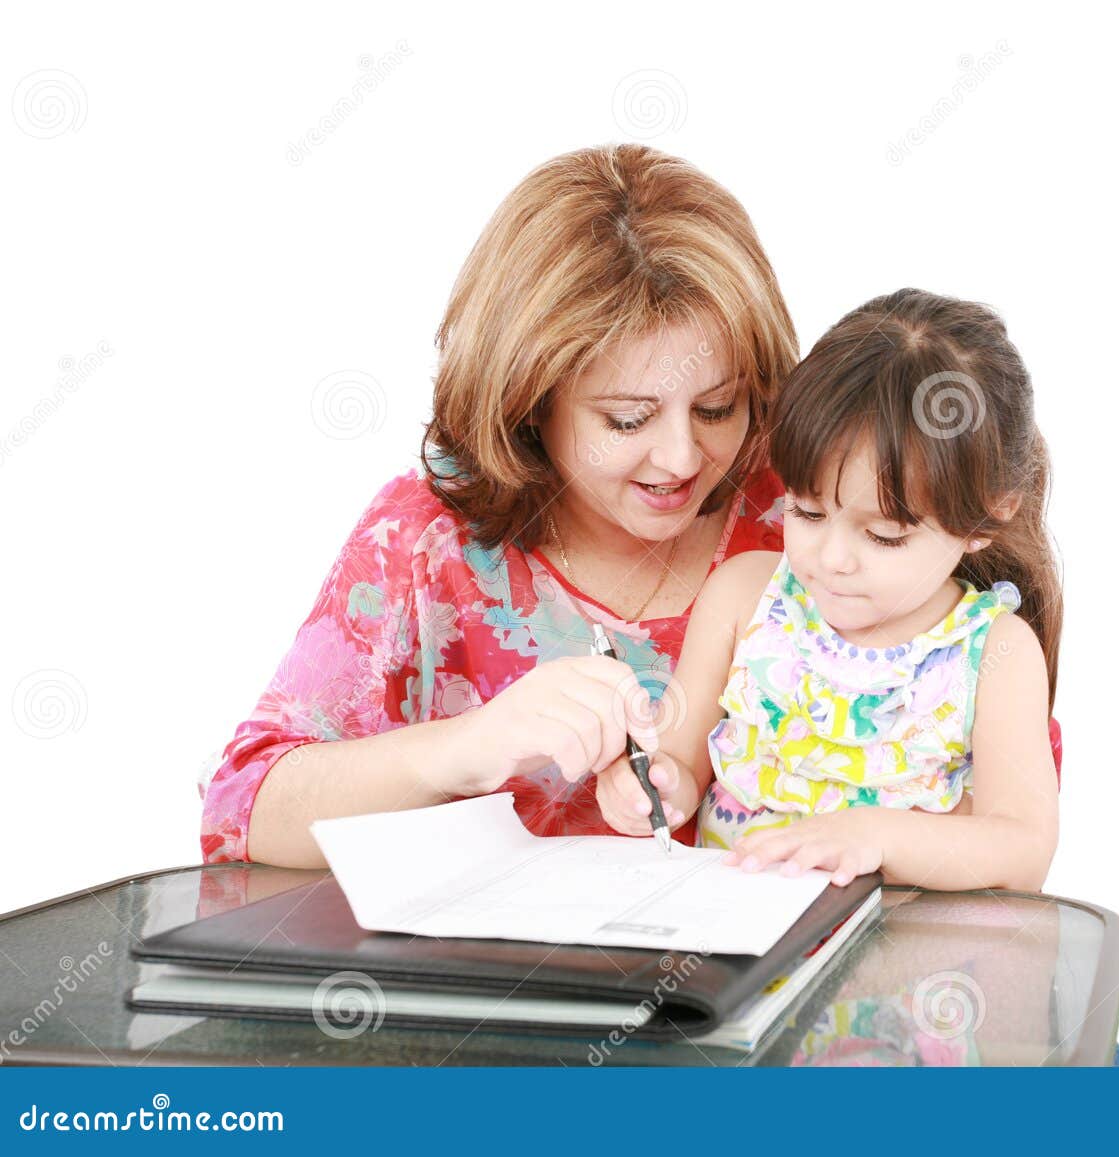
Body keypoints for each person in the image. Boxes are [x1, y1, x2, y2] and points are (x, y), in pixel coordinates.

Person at [198, 143, 798, 867]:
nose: (680, 457)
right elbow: (242, 811)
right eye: (628, 420)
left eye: (716, 407)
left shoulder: (809, 518)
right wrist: (462, 749)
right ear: (529, 401)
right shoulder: (425, 540)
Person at [596, 289, 1064, 892]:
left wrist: (874, 834)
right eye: (808, 513)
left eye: (884, 536)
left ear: (985, 519)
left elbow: (1023, 847)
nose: (832, 560)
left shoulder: (993, 653)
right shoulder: (745, 598)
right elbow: (680, 765)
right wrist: (651, 786)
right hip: (735, 951)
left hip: (898, 968)